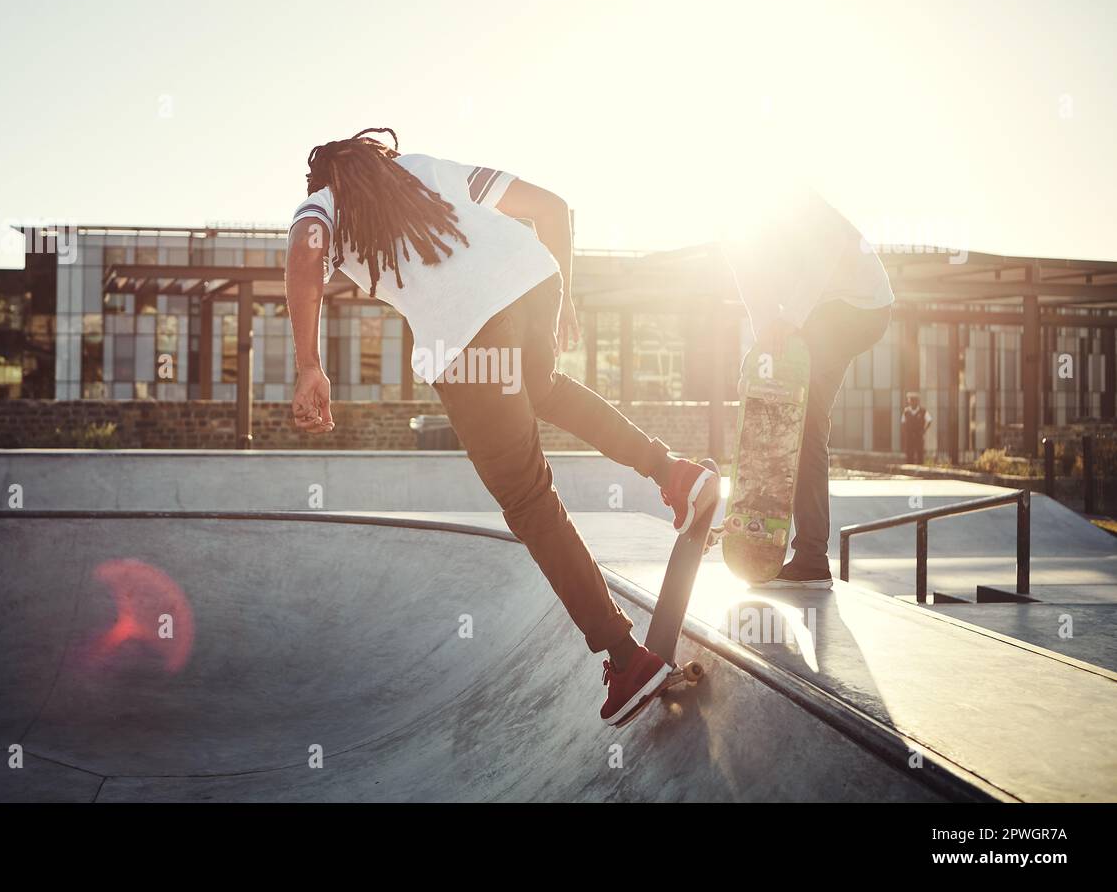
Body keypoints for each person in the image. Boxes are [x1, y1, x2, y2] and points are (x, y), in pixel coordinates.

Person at [284, 128, 718, 725]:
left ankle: (626, 656)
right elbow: (552, 209)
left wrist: (310, 365)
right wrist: (563, 300)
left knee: (525, 498)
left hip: (467, 338)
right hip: (532, 284)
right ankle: (676, 473)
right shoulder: (429, 169)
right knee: (543, 387)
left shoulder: (327, 206)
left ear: (326, 182)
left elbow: (306, 249)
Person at [723, 184, 894, 589]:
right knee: (805, 417)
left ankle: (813, 554)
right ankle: (812, 552)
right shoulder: (733, 234)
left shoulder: (791, 199)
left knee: (809, 420)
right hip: (824, 311)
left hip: (860, 305)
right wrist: (762, 349)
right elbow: (755, 297)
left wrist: (790, 321)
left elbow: (827, 251)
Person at [900, 391, 932, 465]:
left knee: (920, 450)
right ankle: (909, 465)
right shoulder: (906, 411)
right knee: (909, 450)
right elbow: (903, 422)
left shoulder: (923, 411)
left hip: (919, 434)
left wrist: (924, 430)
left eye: (914, 401)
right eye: (911, 401)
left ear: (917, 402)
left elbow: (929, 420)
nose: (912, 402)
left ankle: (920, 465)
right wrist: (905, 432)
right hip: (909, 435)